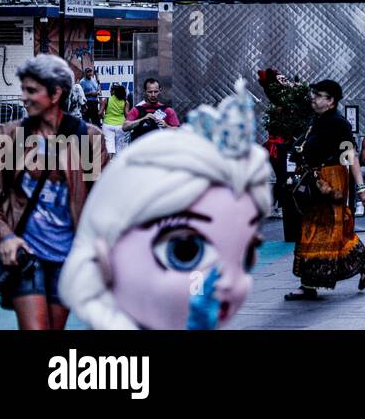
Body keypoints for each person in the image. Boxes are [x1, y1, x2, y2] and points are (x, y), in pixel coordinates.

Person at [59, 79, 273, 330]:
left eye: (247, 256)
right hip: (145, 176)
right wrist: (140, 121)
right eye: (184, 250)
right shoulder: (137, 109)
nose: (229, 283)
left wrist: (163, 124)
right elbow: (125, 125)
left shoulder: (168, 111)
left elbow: (177, 129)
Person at [0, 55, 109, 330]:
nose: (23, 97)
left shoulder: (88, 139)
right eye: (23, 89)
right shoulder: (11, 136)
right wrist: (7, 237)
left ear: (56, 93)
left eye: (31, 90)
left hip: (69, 257)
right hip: (26, 254)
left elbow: (105, 202)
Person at [285, 80, 365, 301]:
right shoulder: (317, 121)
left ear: (331, 101)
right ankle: (360, 261)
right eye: (314, 94)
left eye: (319, 95)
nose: (313, 98)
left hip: (331, 181)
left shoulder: (338, 123)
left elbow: (351, 156)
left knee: (325, 230)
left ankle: (309, 285)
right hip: (317, 180)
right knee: (318, 229)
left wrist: (362, 188)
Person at [100, 84, 130, 155]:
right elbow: (127, 115)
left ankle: (109, 163)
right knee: (120, 148)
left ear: (114, 91)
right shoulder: (125, 102)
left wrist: (104, 118)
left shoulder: (107, 100)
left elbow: (100, 113)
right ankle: (118, 164)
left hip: (107, 125)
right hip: (120, 126)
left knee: (109, 147)